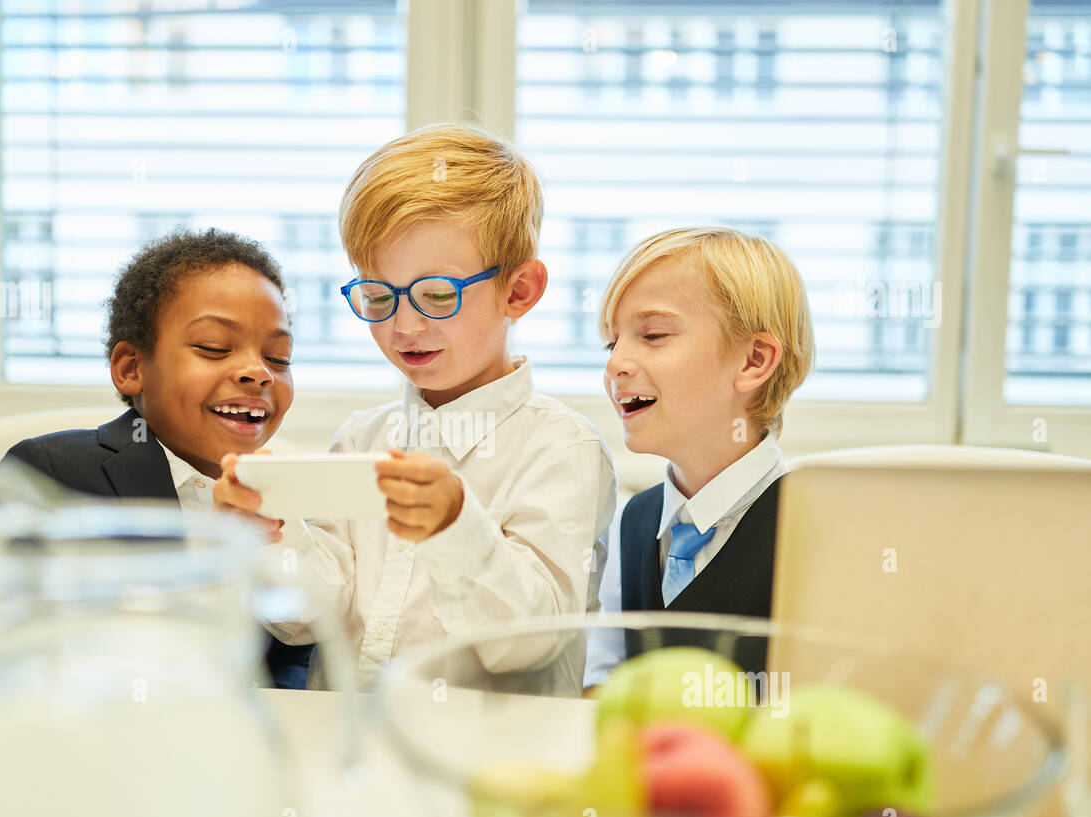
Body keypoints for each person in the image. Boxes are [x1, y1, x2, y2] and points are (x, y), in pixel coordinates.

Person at [216, 123, 617, 694]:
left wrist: (457, 525)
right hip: (350, 750)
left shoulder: (561, 449)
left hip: (490, 765)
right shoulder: (362, 438)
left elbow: (526, 644)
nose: (404, 325)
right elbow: (309, 619)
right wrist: (269, 535)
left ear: (519, 290)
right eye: (378, 296)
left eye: (437, 295)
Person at [0, 228, 312, 689]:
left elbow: (295, 656)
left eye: (278, 357)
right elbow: (17, 649)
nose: (257, 372)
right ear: (132, 368)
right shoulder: (50, 474)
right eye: (214, 348)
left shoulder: (286, 499)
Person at [586, 226, 815, 684]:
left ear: (753, 361)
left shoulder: (812, 526)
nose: (615, 364)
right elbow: (604, 677)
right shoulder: (634, 521)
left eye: (652, 335)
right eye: (613, 343)